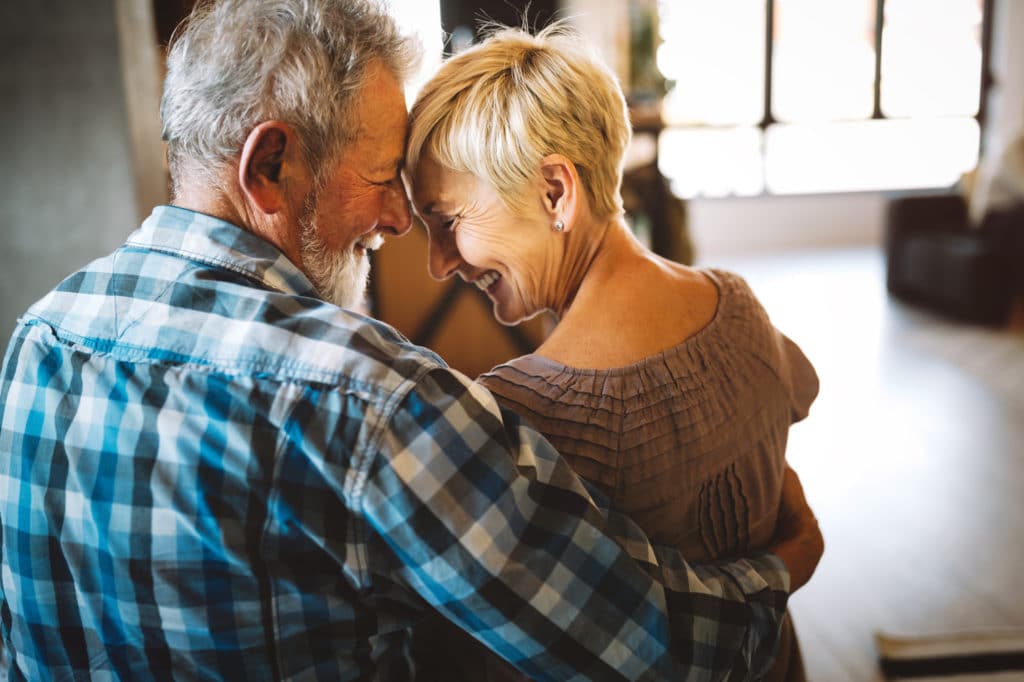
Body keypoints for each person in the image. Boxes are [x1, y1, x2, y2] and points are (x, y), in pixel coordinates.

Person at [0, 1, 823, 680]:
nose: (396, 225)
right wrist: (779, 569)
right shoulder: (369, 399)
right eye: (383, 179)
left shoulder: (37, 342)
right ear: (271, 167)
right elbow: (646, 645)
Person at [405, 23, 820, 681]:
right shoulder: (737, 302)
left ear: (555, 192)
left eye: (448, 221)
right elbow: (799, 389)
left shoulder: (520, 413)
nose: (437, 263)